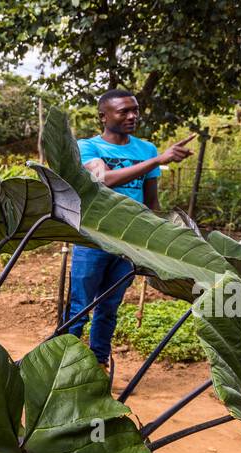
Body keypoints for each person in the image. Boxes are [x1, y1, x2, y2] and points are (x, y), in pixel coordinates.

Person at [65, 89, 195, 367]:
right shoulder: (88, 146)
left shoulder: (146, 149)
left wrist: (158, 238)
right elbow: (102, 180)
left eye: (135, 110)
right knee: (79, 306)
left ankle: (98, 364)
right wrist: (158, 160)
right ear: (103, 116)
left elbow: (151, 201)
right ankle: (62, 364)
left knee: (109, 307)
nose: (132, 116)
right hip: (93, 238)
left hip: (129, 242)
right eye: (124, 111)